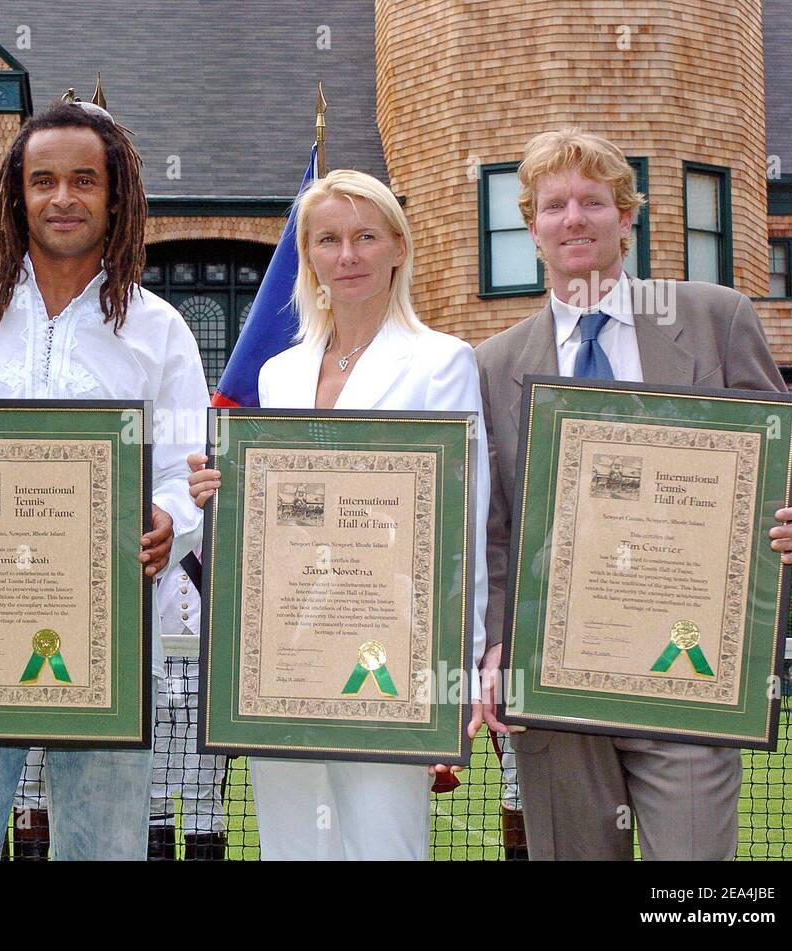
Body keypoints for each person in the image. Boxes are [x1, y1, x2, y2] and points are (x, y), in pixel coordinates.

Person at [0, 99, 208, 861]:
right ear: (16, 194)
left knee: (105, 852)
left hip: (108, 651)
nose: (62, 197)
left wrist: (165, 520)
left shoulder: (159, 330)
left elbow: (189, 475)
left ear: (115, 195)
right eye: (43, 179)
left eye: (84, 180)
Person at [474, 127, 792, 860]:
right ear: (531, 225)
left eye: (594, 202)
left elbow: (791, 443)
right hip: (555, 683)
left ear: (626, 218)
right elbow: (495, 528)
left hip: (687, 672)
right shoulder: (493, 363)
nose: (575, 218)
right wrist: (497, 642)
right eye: (555, 205)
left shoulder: (714, 316)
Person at [188, 169, 490, 860]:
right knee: (292, 847)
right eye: (328, 239)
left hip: (393, 652)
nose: (346, 255)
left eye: (364, 237)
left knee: (385, 845)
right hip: (285, 656)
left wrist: (460, 669)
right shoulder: (277, 374)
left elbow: (464, 526)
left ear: (398, 249)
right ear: (309, 256)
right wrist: (220, 496)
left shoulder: (443, 362)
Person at [148, 549, 228, 861]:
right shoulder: (144, 513)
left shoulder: (224, 519)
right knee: (153, 787)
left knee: (203, 788)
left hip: (205, 664)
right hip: (150, 662)